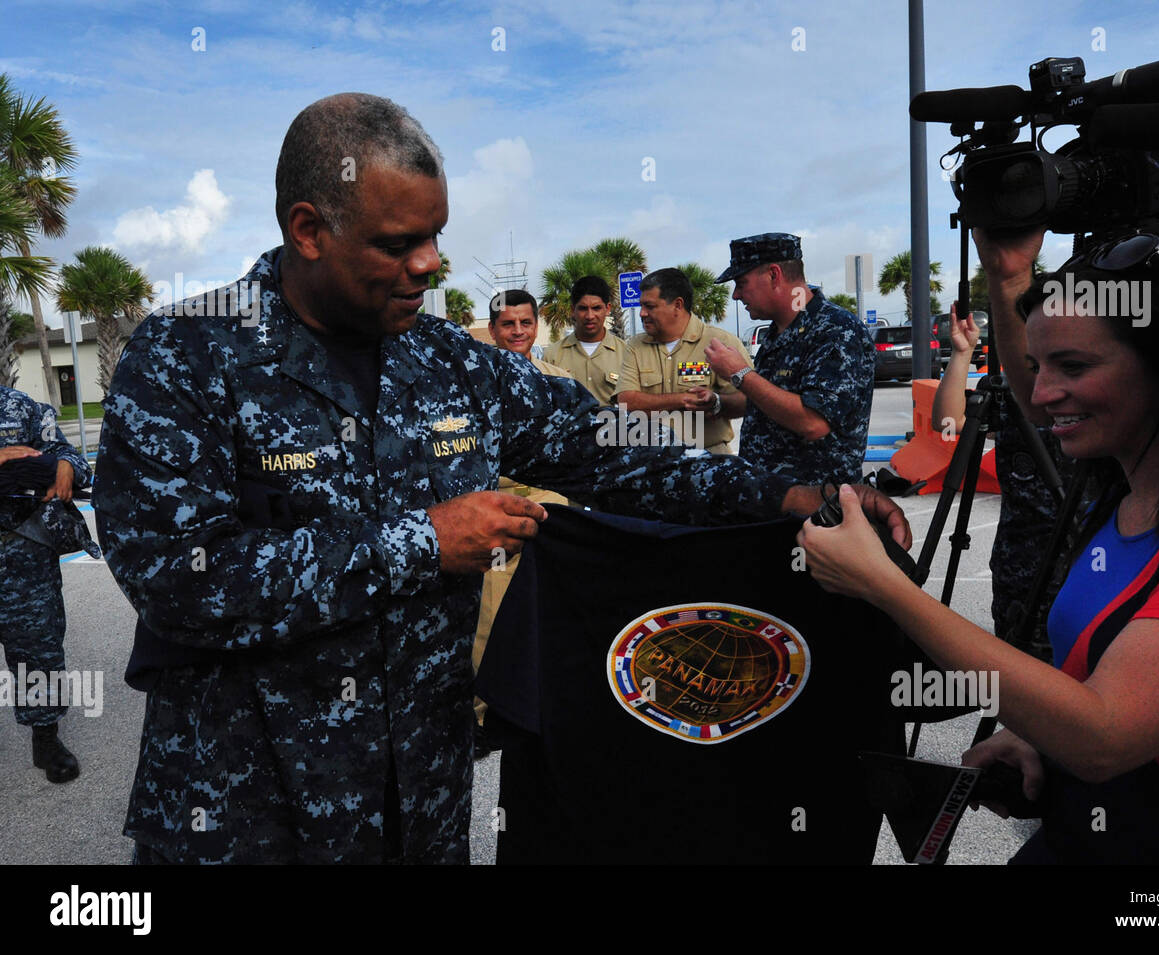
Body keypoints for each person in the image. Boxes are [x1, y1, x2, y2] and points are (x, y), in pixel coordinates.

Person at [92, 92, 911, 864]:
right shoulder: (187, 358)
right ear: (309, 228)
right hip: (247, 814)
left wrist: (780, 495)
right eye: (398, 243)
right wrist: (423, 543)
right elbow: (175, 579)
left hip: (421, 805)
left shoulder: (450, 363)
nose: (430, 265)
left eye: (437, 237)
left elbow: (607, 448)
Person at [800, 244, 1159, 864]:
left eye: (1072, 365)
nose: (1040, 395)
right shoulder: (1118, 504)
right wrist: (1038, 737)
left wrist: (886, 587)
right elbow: (1107, 687)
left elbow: (1105, 734)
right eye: (1036, 366)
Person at [931, 303, 1078, 660]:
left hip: (1084, 557)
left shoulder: (1089, 390)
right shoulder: (1010, 389)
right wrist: (962, 354)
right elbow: (948, 420)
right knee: (1022, 677)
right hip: (1020, 568)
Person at [475, 287, 574, 750]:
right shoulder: (469, 380)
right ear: (493, 329)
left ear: (538, 326)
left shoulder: (558, 379)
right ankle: (482, 714)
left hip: (548, 504)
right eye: (507, 324)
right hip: (492, 503)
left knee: (546, 613)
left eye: (525, 323)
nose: (517, 332)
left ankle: (542, 701)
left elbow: (582, 446)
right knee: (489, 614)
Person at [705, 233, 875, 486]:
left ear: (774, 275)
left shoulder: (836, 330)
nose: (736, 296)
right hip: (772, 500)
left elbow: (814, 422)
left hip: (817, 509)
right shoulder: (778, 332)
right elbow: (767, 404)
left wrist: (740, 373)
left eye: (741, 283)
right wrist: (718, 403)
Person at [0, 385, 97, 783]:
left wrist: (67, 467)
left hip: (21, 547)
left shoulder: (19, 405)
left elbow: (65, 451)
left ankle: (46, 737)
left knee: (38, 646)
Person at [615, 267, 750, 454]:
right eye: (641, 306)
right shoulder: (636, 346)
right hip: (652, 462)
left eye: (650, 306)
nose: (642, 313)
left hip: (710, 458)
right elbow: (627, 402)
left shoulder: (720, 343)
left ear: (678, 305)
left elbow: (748, 401)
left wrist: (717, 402)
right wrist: (683, 399)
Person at [542, 276, 626, 404]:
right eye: (583, 308)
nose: (590, 316)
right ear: (572, 310)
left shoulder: (626, 354)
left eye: (596, 308)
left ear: (607, 309)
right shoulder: (552, 355)